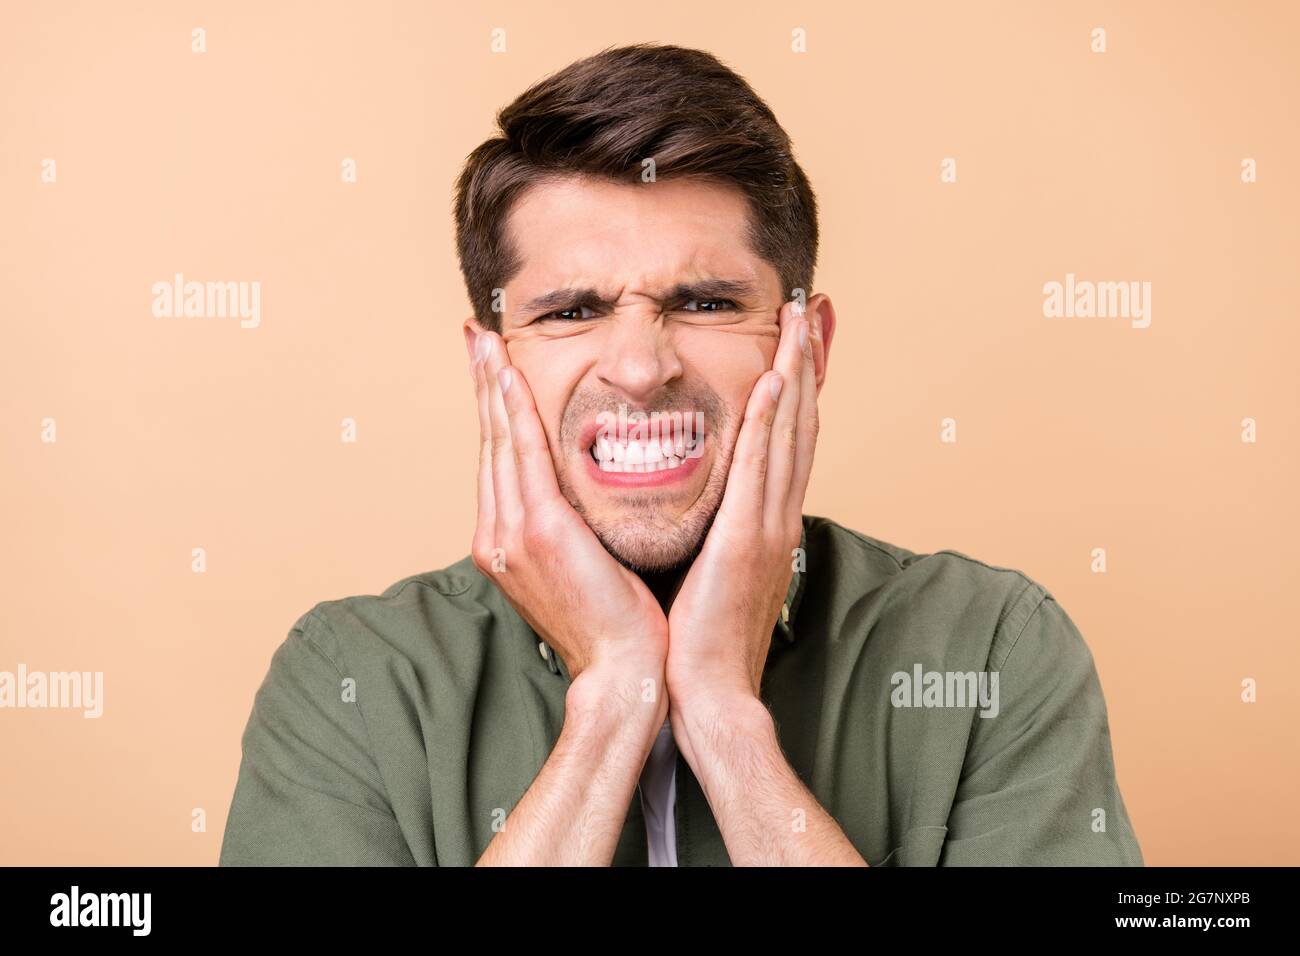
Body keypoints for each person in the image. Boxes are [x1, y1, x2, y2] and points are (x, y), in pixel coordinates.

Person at [219, 43, 1142, 866]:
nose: (637, 368)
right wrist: (615, 697)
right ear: (490, 363)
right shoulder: (352, 678)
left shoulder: (989, 647)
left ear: (805, 348)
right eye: (570, 311)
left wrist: (722, 716)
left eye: (703, 303)